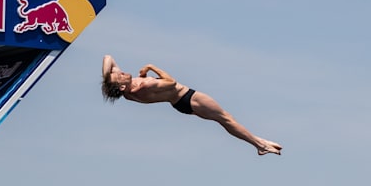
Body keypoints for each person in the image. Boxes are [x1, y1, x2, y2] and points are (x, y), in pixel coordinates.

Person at [101, 55, 282, 156]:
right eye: (119, 75)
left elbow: (108, 58)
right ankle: (259, 145)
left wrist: (108, 81)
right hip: (188, 97)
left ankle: (258, 141)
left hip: (179, 104)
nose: (121, 71)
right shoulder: (144, 85)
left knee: (225, 120)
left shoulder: (127, 94)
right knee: (226, 118)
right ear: (122, 86)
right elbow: (171, 82)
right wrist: (150, 66)